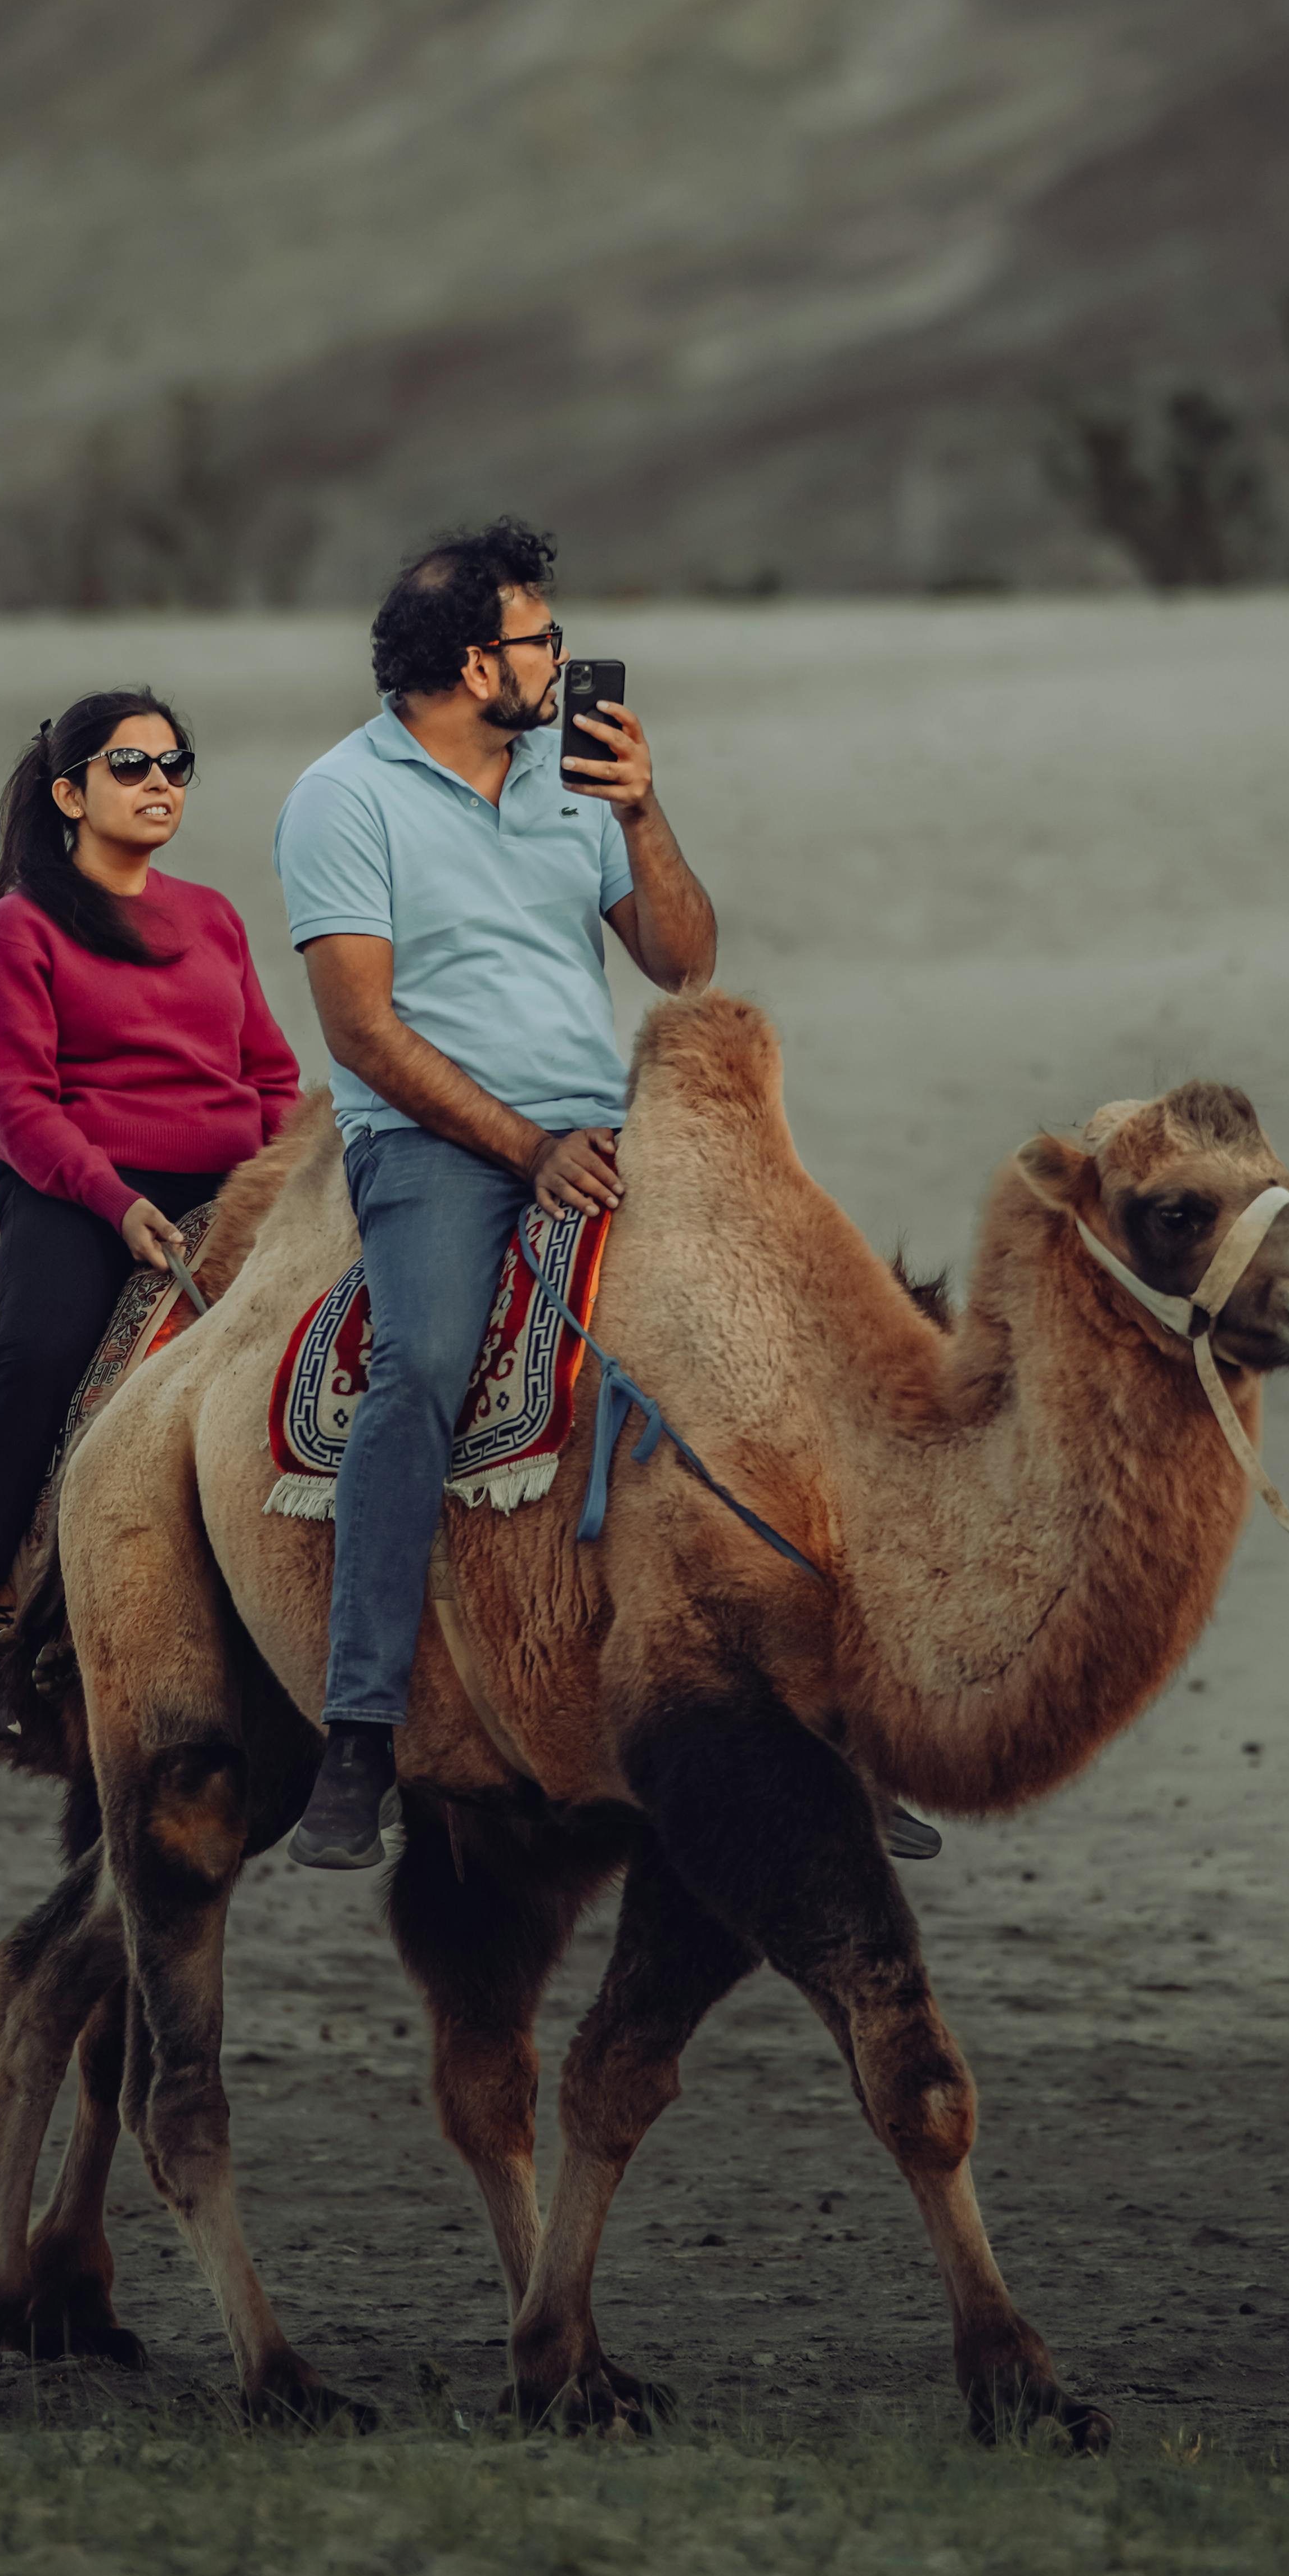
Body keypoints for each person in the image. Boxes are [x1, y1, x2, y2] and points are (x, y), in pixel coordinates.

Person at [271, 516, 717, 1869]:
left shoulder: (573, 779)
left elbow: (683, 960)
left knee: (767, 1338)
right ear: (476, 664)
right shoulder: (341, 798)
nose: (563, 661)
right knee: (420, 1367)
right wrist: (525, 1151)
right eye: (542, 641)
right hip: (439, 1147)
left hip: (610, 1126)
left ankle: (813, 1711)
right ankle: (360, 1729)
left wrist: (641, 809)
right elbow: (359, 1033)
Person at [0, 688, 304, 1747]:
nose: (157, 786)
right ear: (70, 791)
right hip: (78, 1184)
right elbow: (14, 1102)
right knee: (38, 1353)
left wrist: (286, 1176)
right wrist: (114, 1200)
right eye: (130, 767)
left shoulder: (214, 917)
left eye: (174, 766)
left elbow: (270, 1069)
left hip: (236, 1181)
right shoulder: (18, 931)